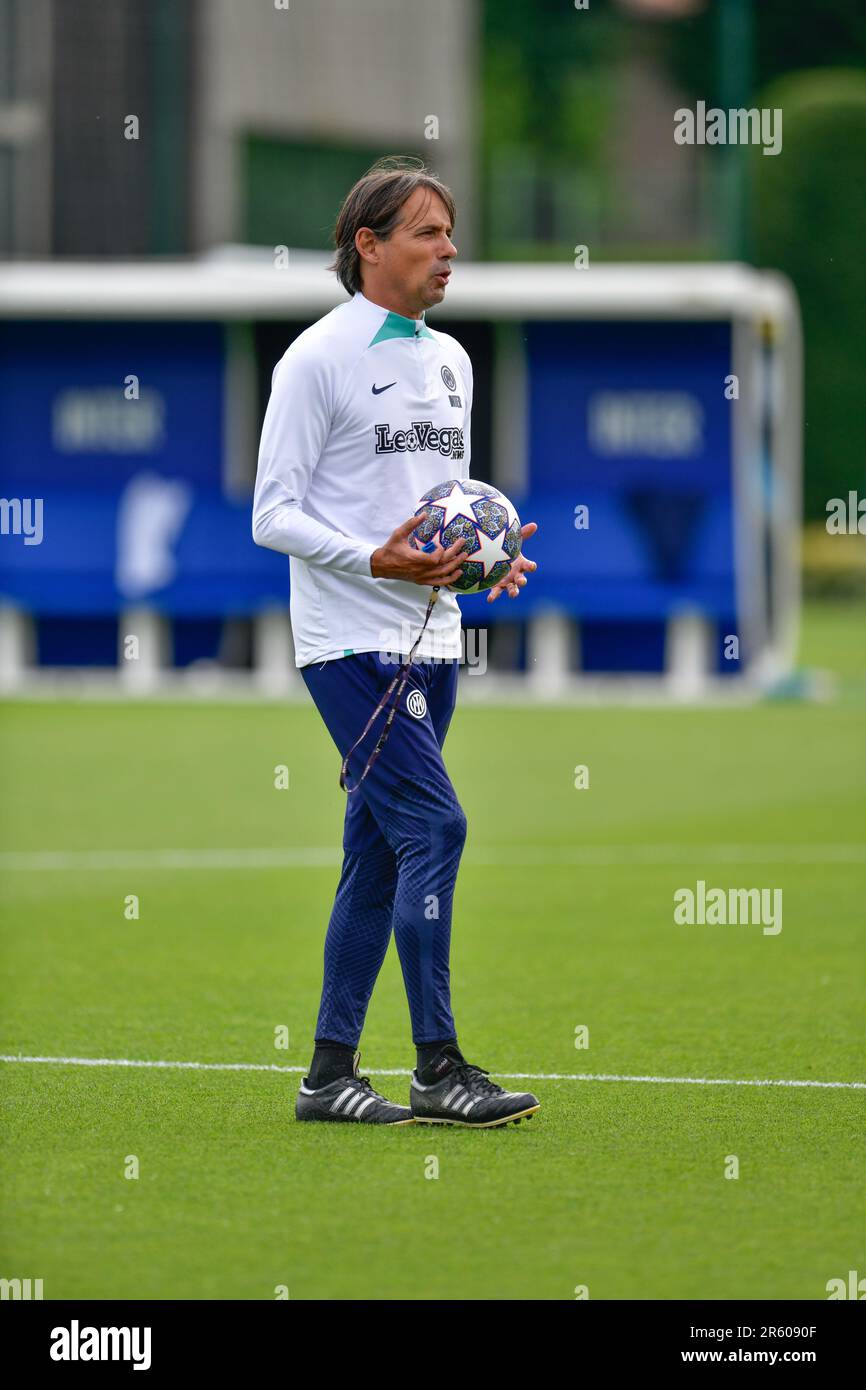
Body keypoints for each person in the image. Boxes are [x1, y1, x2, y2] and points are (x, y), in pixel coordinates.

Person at [252, 156, 539, 1127]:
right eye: (426, 233)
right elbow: (271, 515)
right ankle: (437, 1066)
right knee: (435, 829)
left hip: (435, 639)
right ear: (367, 245)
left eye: (450, 233)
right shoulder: (315, 359)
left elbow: (436, 507)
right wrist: (374, 561)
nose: (448, 249)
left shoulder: (452, 360)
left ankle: (327, 1076)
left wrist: (483, 562)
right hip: (347, 642)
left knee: (376, 858)